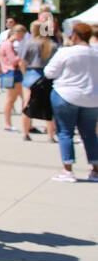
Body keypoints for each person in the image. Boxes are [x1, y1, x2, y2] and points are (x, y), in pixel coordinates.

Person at [44, 22, 98, 182]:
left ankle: (68, 169)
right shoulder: (95, 53)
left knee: (65, 132)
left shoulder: (66, 52)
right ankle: (95, 169)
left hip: (66, 95)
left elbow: (49, 72)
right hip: (92, 98)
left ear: (74, 35)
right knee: (90, 134)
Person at [20, 20, 57, 141]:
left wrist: (24, 73)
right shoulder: (52, 45)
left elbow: (21, 61)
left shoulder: (30, 43)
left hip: (31, 73)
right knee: (49, 104)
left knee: (27, 103)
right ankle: (51, 135)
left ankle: (25, 133)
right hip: (47, 75)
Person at [0, 24, 27, 131]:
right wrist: (24, 56)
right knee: (11, 100)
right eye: (22, 36)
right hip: (11, 73)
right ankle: (8, 124)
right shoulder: (8, 45)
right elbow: (13, 60)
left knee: (21, 98)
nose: (22, 39)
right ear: (17, 33)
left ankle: (25, 124)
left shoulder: (6, 44)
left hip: (9, 73)